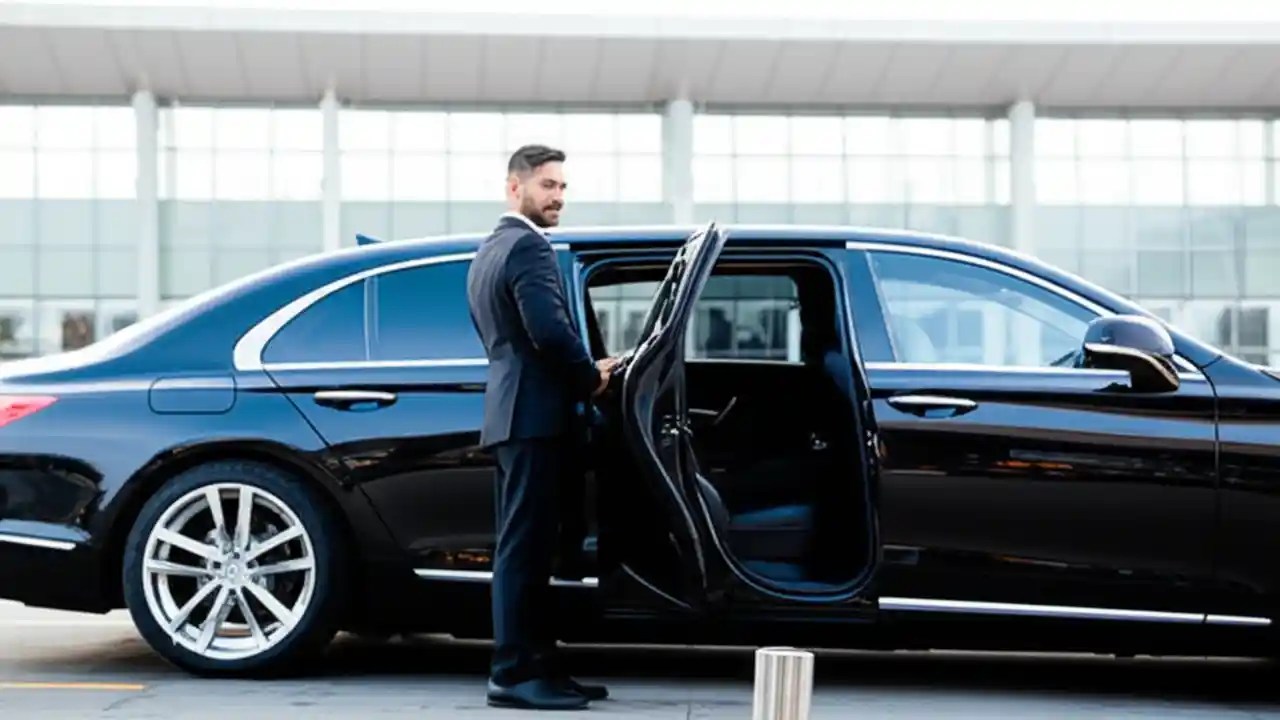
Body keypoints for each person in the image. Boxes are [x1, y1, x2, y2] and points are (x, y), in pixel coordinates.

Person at [466, 143, 617, 711]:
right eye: (547, 186)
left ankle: (543, 667)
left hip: (514, 412)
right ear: (515, 187)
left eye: (562, 188)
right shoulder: (528, 248)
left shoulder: (490, 250)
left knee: (529, 549)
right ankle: (512, 673)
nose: (558, 197)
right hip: (533, 417)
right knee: (523, 552)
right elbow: (548, 332)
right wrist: (591, 378)